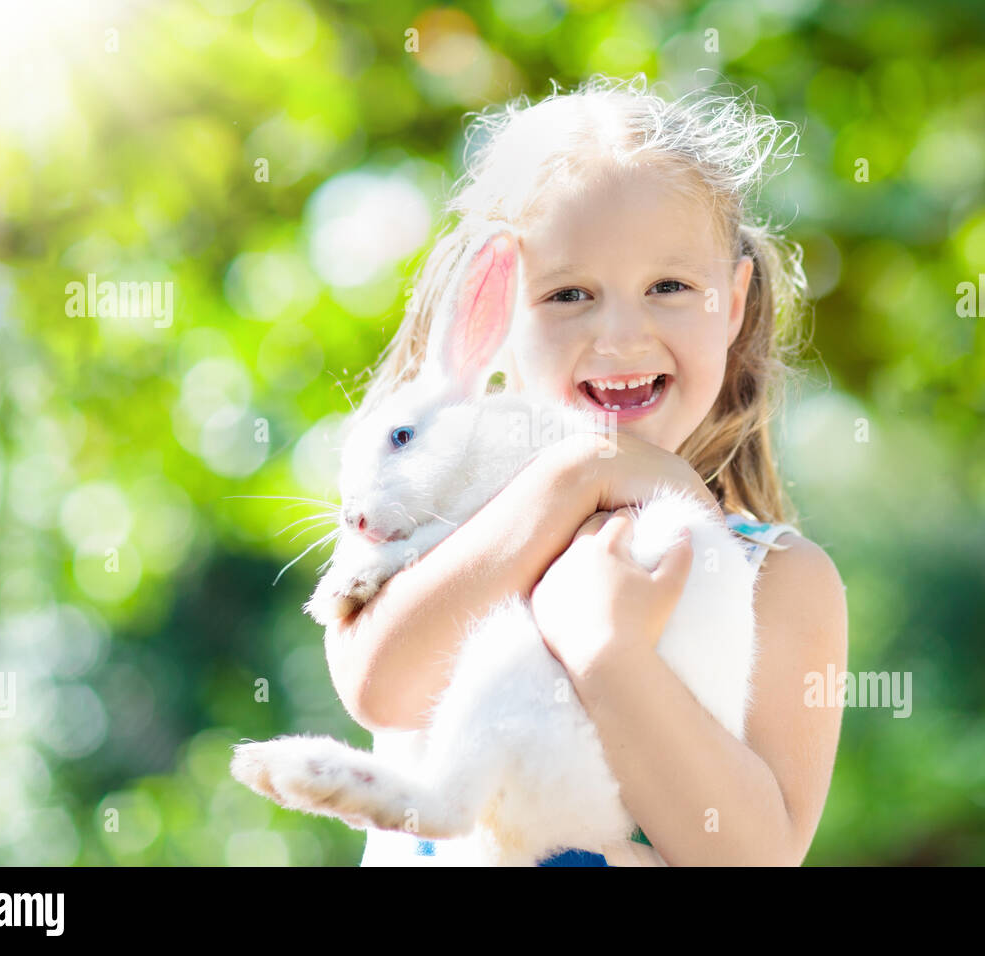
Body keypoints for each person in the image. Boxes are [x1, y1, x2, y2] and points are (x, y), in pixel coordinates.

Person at [330, 74, 848, 866]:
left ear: (733, 304)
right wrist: (581, 473)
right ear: (496, 314)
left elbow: (752, 856)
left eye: (669, 287)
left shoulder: (778, 580)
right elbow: (381, 685)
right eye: (570, 294)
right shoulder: (418, 514)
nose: (621, 337)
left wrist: (608, 651)